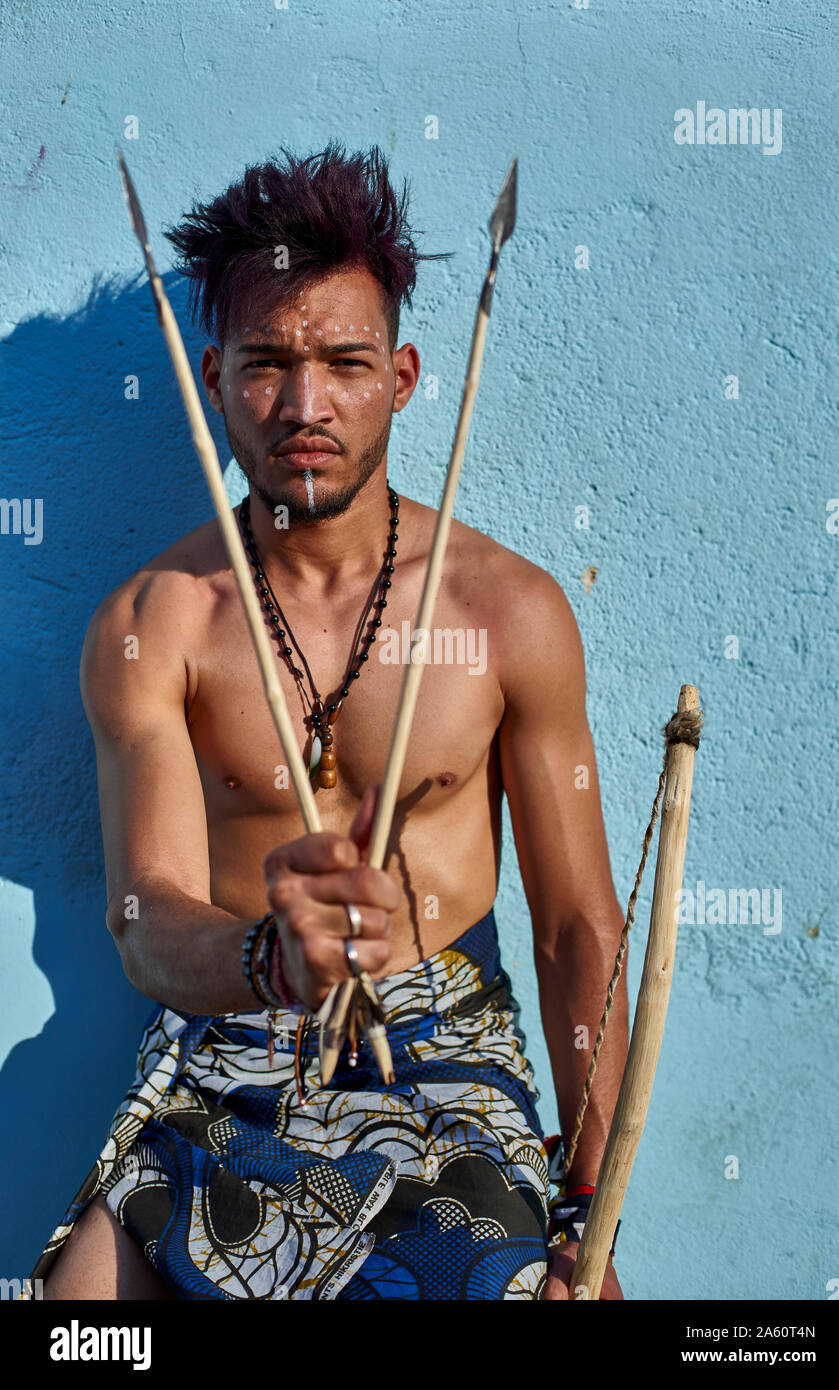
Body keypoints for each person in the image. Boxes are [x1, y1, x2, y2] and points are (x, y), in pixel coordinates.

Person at [29, 141, 627, 1301]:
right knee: (81, 1318)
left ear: (400, 378)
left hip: (439, 1051)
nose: (305, 405)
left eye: (343, 362)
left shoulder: (506, 612)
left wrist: (585, 1210)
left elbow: (573, 932)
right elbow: (145, 918)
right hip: (229, 1046)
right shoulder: (156, 620)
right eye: (266, 363)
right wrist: (268, 955)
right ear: (212, 379)